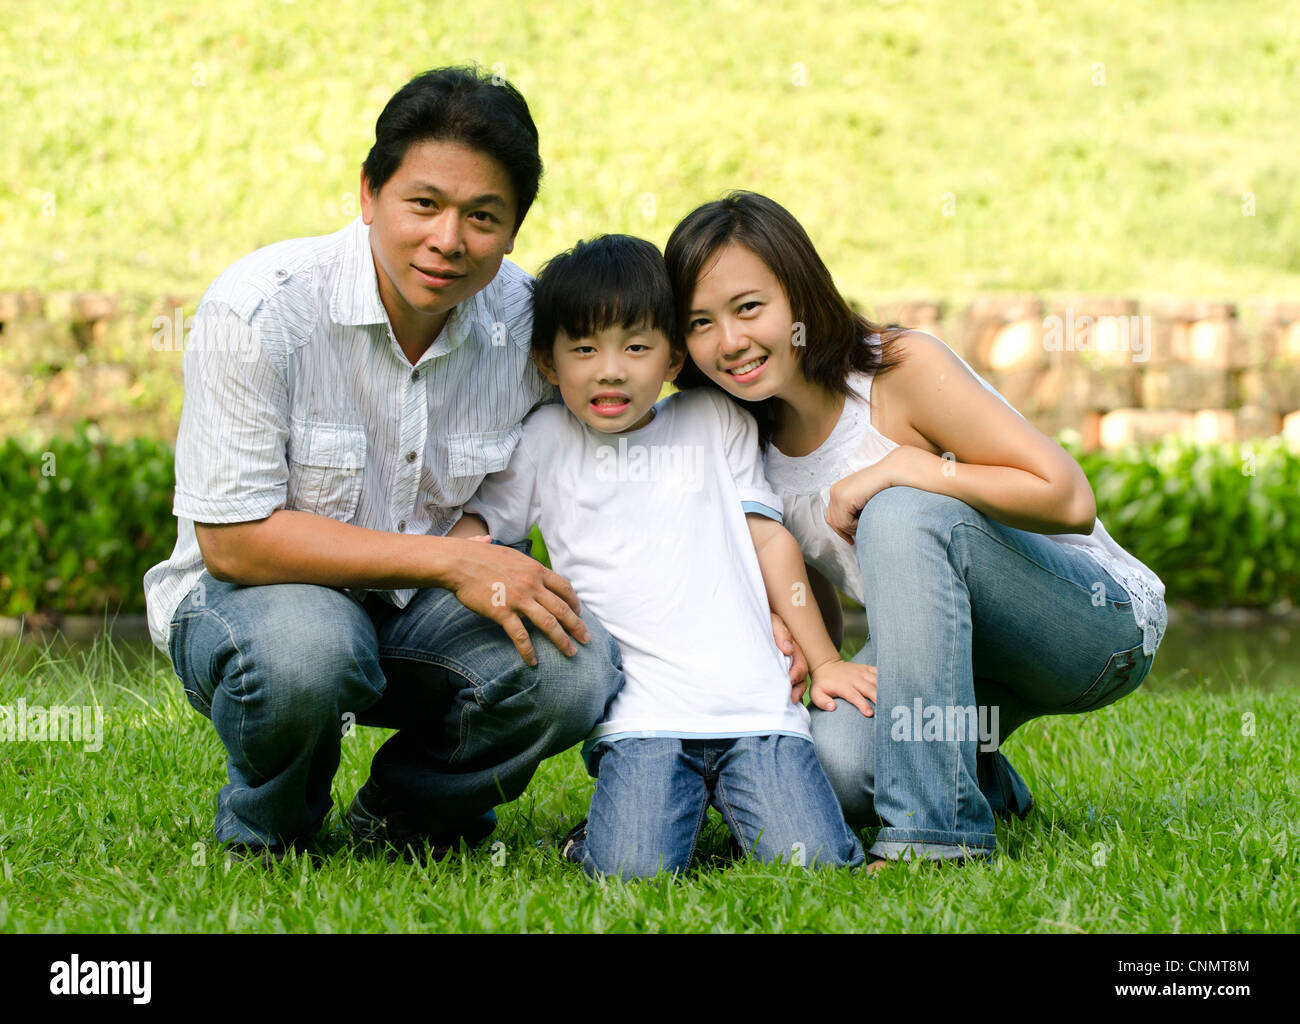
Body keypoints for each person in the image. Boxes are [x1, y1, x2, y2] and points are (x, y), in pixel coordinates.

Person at [143, 66, 626, 863]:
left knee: (576, 667)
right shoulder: (258, 310)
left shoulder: (532, 329)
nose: (448, 240)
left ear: (513, 231)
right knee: (307, 650)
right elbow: (233, 541)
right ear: (369, 194)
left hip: (422, 612)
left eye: (483, 216)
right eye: (424, 204)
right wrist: (450, 560)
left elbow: (553, 465)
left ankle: (406, 817)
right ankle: (273, 830)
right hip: (256, 606)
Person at [664, 191, 1167, 867]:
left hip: (1091, 625)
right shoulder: (742, 439)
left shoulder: (896, 369)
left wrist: (908, 468)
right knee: (835, 768)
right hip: (952, 650)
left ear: (800, 296)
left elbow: (1068, 497)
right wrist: (799, 649)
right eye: (700, 322)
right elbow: (816, 597)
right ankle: (982, 782)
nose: (729, 342)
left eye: (749, 307)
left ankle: (940, 836)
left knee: (900, 509)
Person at [450, 234, 871, 879]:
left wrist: (825, 661)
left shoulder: (712, 418)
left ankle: (727, 804)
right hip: (640, 713)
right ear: (546, 360)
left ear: (674, 357)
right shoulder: (544, 438)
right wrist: (451, 553)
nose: (610, 369)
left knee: (813, 865)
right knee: (630, 875)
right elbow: (484, 527)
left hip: (753, 704)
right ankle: (613, 826)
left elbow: (769, 539)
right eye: (584, 349)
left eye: (637, 348)